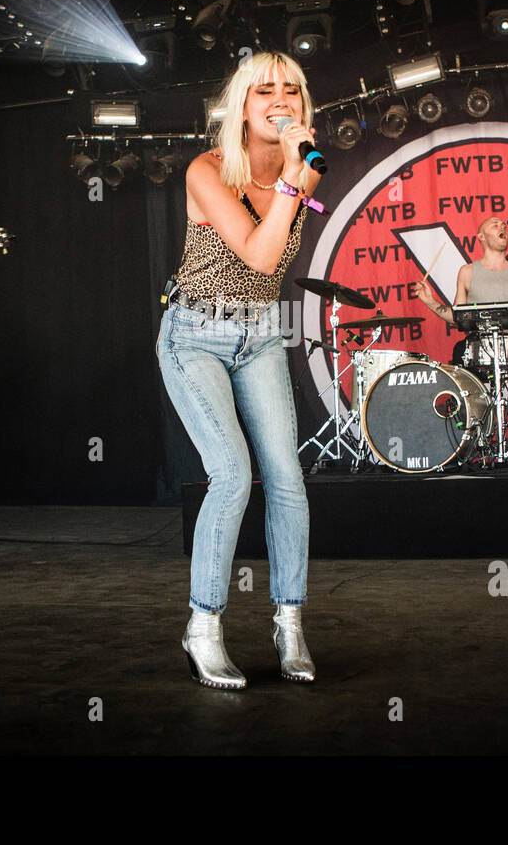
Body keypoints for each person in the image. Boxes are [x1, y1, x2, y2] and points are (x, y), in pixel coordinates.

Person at [157, 51, 321, 689]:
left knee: (286, 477)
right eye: (264, 93)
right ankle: (203, 626)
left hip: (259, 335)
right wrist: (289, 187)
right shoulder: (207, 170)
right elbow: (256, 256)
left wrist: (294, 177)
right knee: (231, 475)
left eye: (290, 92)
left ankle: (290, 622)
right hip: (195, 333)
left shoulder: (301, 174)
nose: (279, 102)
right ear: (241, 106)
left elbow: (272, 272)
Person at [411, 214, 508, 446]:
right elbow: (457, 318)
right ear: (481, 237)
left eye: (504, 225)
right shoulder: (467, 271)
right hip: (480, 346)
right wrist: (430, 301)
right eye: (495, 224)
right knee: (460, 363)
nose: (503, 227)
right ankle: (471, 440)